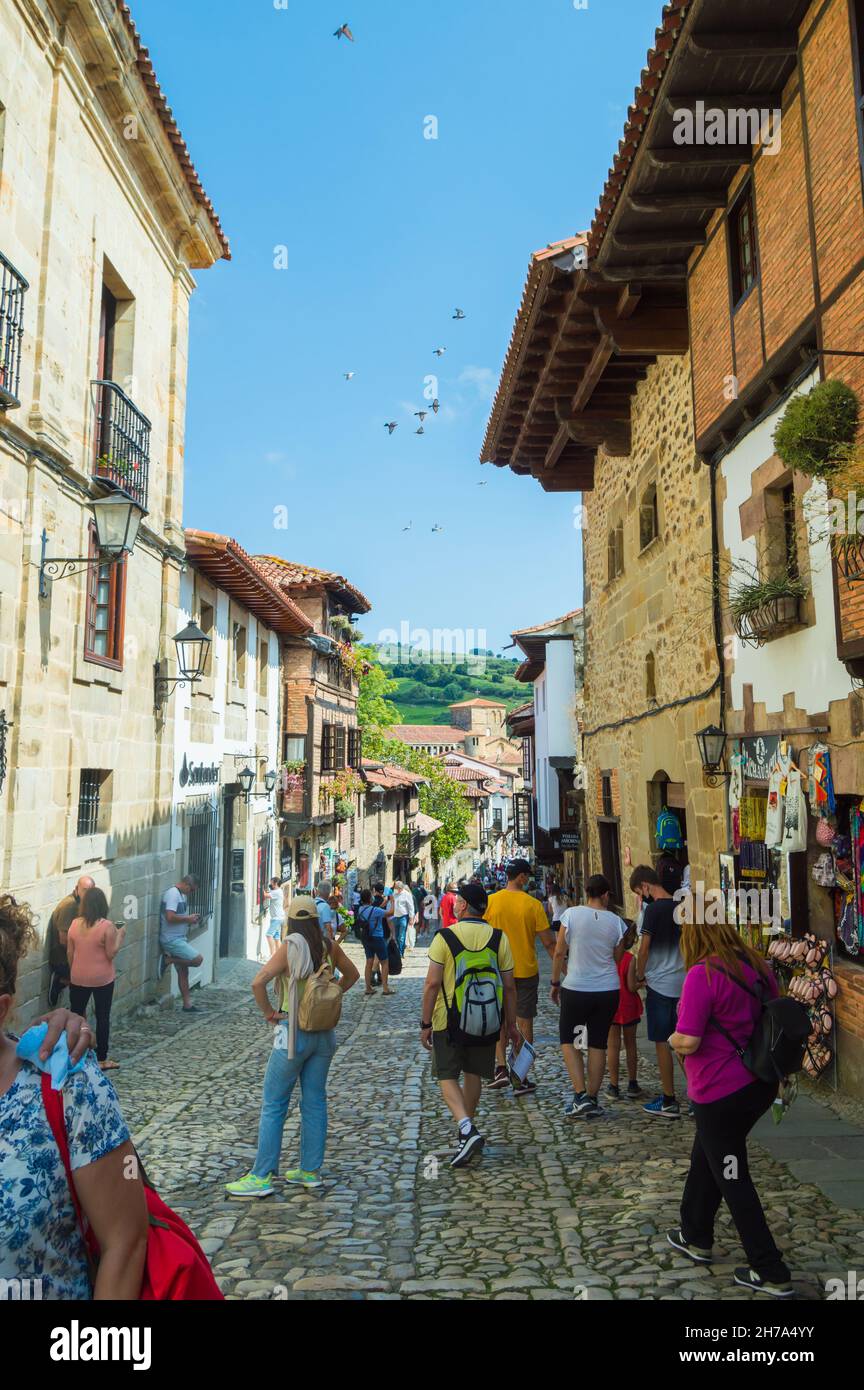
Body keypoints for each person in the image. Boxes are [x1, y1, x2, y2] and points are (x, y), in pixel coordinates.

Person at [1, 894, 148, 1298]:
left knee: (99, 1019)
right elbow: (109, 949)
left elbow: (128, 1238)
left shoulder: (68, 1085)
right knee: (100, 1016)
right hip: (96, 980)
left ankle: (104, 1051)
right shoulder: (100, 925)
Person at [667, 918, 793, 1298]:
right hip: (758, 1085)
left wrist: (669, 1037)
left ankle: (770, 1270)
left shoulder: (701, 975)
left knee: (733, 1176)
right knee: (709, 1153)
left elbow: (687, 1040)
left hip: (719, 1091)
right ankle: (695, 1232)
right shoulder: (757, 966)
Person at [226, 896, 359, 1197]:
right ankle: (309, 1171)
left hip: (293, 1032)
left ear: (291, 921)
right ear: (314, 918)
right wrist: (332, 994)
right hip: (324, 1033)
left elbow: (258, 981)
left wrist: (269, 1013)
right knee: (314, 1101)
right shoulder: (328, 945)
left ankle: (261, 1176)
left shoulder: (290, 947)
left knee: (274, 1103)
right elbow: (353, 975)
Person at [420, 881, 518, 1168]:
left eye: (458, 900)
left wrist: (425, 1023)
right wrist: (510, 1024)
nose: (455, 903)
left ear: (463, 906)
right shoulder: (499, 938)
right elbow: (510, 987)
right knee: (474, 1073)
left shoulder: (445, 937)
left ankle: (466, 1128)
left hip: (447, 1020)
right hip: (486, 1021)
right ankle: (467, 1132)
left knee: (446, 1075)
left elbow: (431, 984)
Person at [550, 874, 627, 1119]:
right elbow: (617, 958)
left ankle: (580, 1094)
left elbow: (559, 951)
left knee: (569, 1040)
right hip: (607, 990)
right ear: (605, 895)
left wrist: (555, 982)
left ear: (587, 892)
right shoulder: (616, 923)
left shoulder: (571, 915)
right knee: (597, 1042)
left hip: (576, 987)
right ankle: (592, 1098)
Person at [485, 859, 555, 1095]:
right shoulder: (533, 905)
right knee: (524, 1024)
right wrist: (563, 970)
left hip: (496, 971)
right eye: (528, 876)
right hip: (524, 971)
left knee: (501, 1024)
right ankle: (520, 1076)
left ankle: (501, 1069)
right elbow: (548, 943)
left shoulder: (491, 902)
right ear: (522, 877)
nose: (528, 881)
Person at [630, 865, 687, 1118]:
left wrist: (640, 975)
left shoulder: (653, 911)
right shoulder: (681, 906)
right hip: (684, 984)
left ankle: (669, 1099)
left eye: (639, 893)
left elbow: (644, 949)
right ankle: (700, 1098)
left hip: (660, 986)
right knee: (687, 1044)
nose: (641, 898)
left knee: (663, 1043)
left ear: (645, 885)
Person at [67, 886, 125, 1072]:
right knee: (102, 1016)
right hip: (102, 978)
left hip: (78, 976)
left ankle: (74, 1053)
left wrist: (75, 969)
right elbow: (111, 953)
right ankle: (102, 1058)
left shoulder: (74, 924)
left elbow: (70, 952)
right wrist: (120, 935)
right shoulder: (107, 926)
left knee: (76, 1014)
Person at [606, 920, 644, 1101]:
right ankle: (632, 1083)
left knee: (612, 1046)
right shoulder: (630, 959)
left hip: (611, 1004)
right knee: (630, 1045)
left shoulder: (608, 957)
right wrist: (641, 982)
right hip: (628, 1006)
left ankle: (613, 1086)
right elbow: (630, 986)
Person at [46, 875, 94, 1008]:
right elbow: (63, 939)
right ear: (76, 889)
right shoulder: (70, 906)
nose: (87, 893)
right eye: (84, 889)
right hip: (61, 958)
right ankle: (61, 980)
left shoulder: (82, 903)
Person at [158, 874, 203, 1012]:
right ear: (187, 885)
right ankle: (168, 960)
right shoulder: (172, 894)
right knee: (197, 960)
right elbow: (170, 917)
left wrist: (190, 920)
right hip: (172, 940)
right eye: (192, 890)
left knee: (183, 971)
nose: (192, 893)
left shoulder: (181, 896)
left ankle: (187, 1005)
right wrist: (188, 919)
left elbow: (179, 917)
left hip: (179, 938)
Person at [357, 888, 393, 996]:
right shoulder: (375, 911)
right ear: (370, 898)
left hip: (366, 938)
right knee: (384, 962)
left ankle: (368, 987)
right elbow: (391, 913)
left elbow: (374, 911)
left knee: (369, 961)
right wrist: (393, 902)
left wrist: (383, 903)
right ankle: (385, 988)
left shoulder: (360, 909)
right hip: (377, 937)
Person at [389, 880, 415, 957]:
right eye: (395, 888)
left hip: (403, 917)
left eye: (397, 888)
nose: (396, 889)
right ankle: (397, 952)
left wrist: (411, 918)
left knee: (401, 936)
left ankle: (400, 953)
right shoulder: (394, 894)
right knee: (396, 936)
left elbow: (411, 907)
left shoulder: (407, 894)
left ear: (401, 888)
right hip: (395, 917)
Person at [264, 876, 285, 957]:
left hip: (277, 918)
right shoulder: (277, 891)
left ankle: (272, 954)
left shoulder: (277, 892)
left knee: (269, 935)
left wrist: (260, 886)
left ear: (275, 883)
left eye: (271, 882)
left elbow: (265, 895)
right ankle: (279, 955)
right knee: (276, 937)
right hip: (278, 917)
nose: (270, 884)